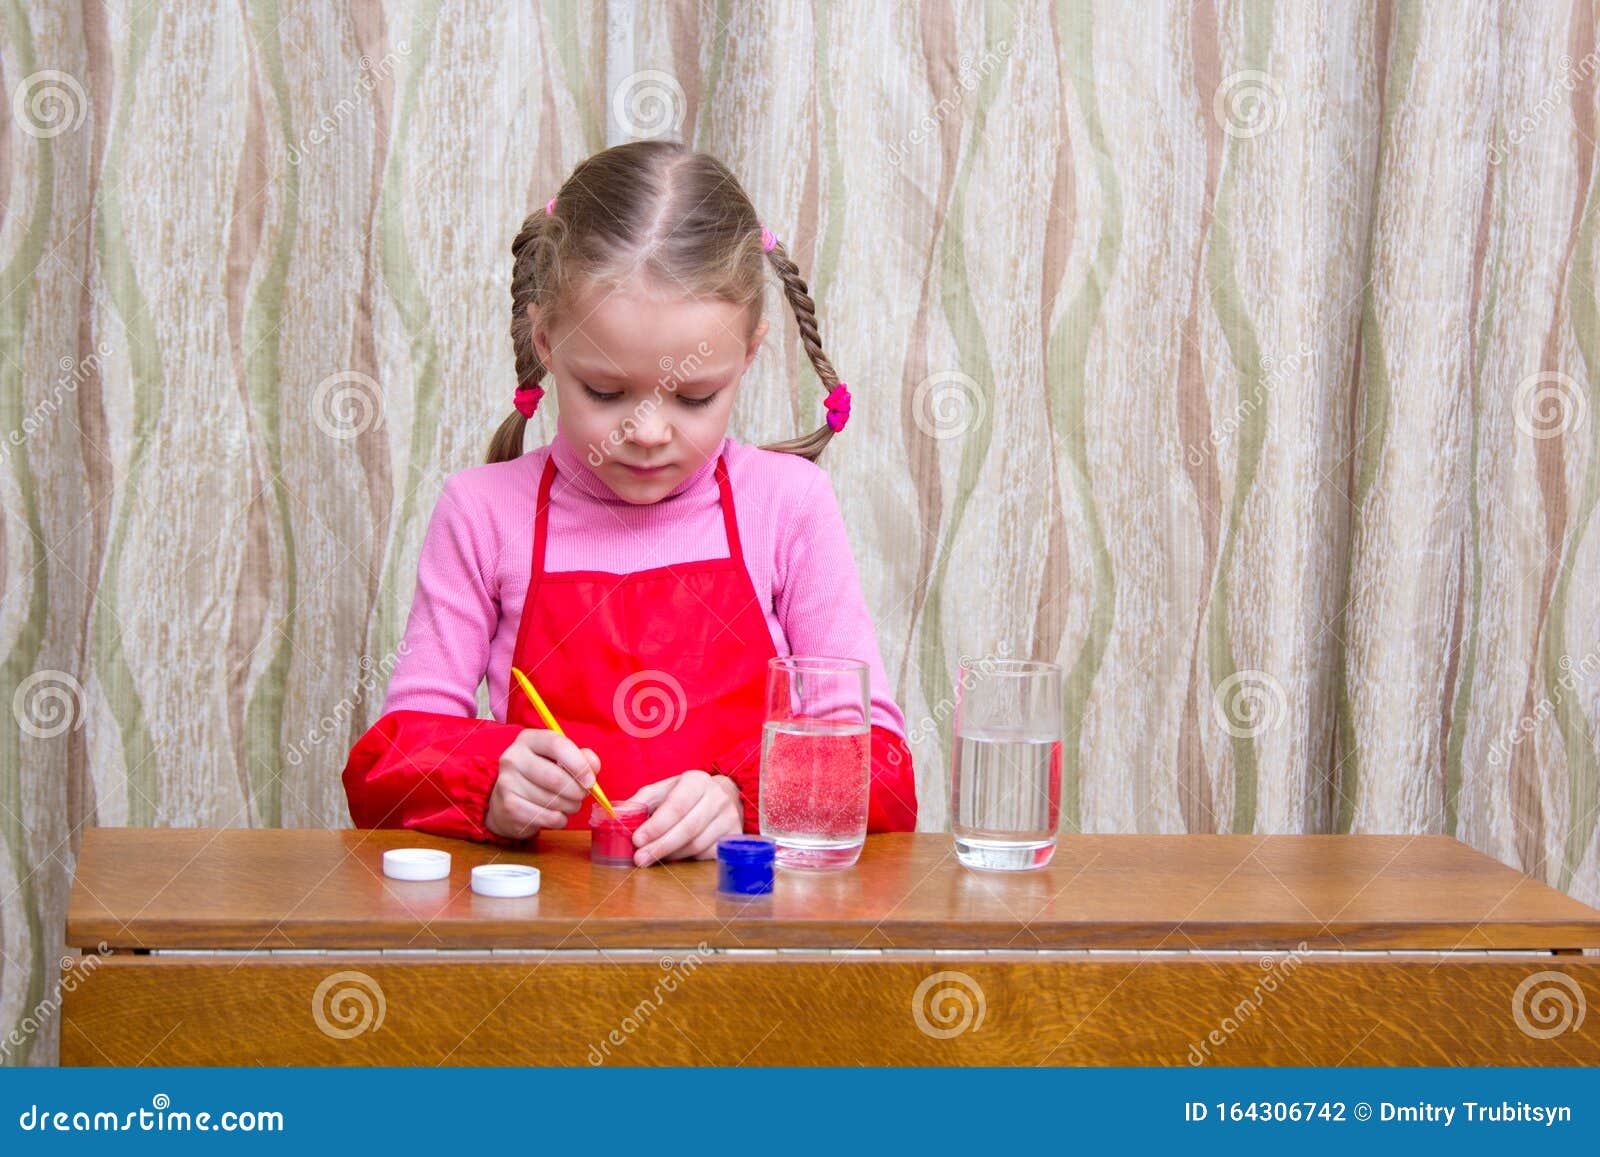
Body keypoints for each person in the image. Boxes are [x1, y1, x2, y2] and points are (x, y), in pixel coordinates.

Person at [342, 140, 917, 865]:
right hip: (549, 950)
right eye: (605, 392)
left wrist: (744, 796)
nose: (646, 432)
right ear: (546, 341)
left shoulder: (790, 505)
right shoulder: (482, 511)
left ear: (749, 353)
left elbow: (885, 773)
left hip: (750, 944)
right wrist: (489, 777)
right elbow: (386, 767)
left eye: (695, 395)